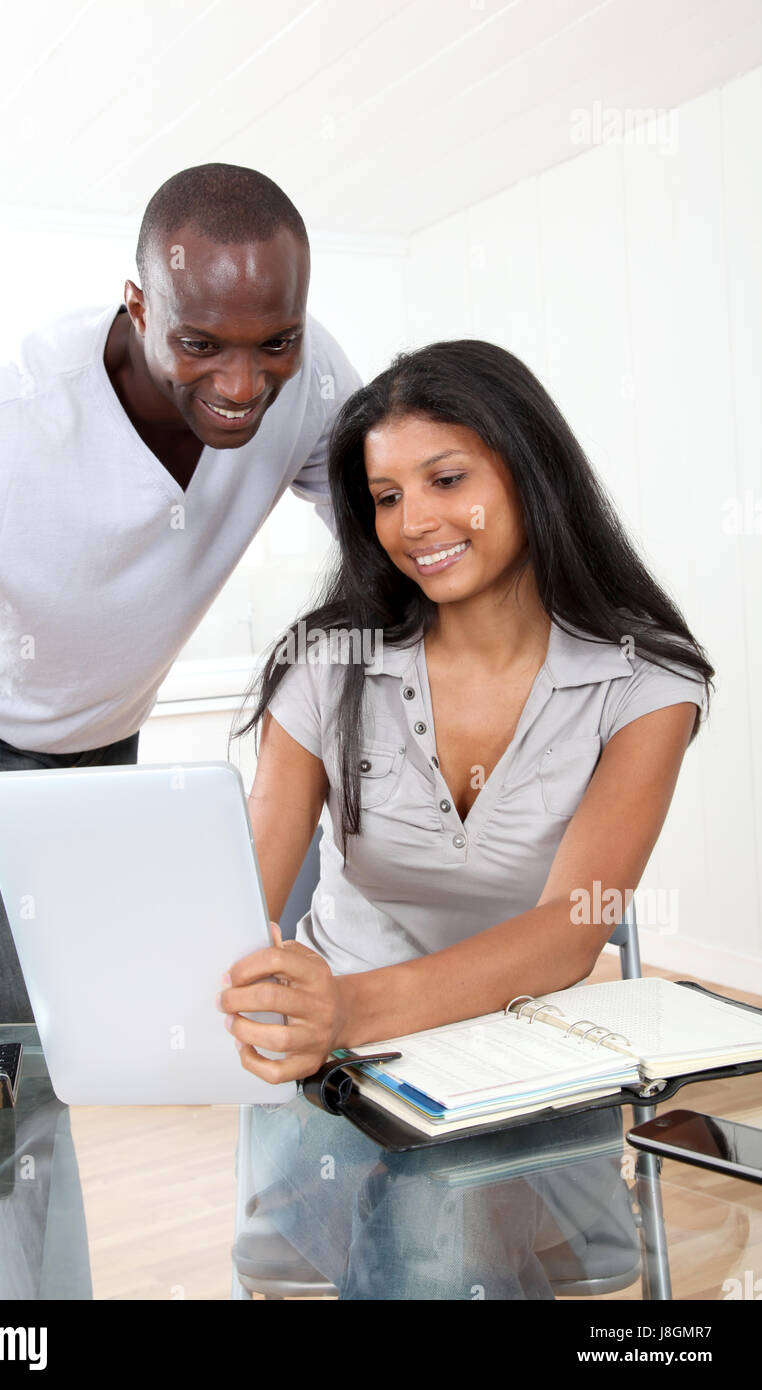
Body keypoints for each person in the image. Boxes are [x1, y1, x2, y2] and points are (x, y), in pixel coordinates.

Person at [218, 339, 713, 1299]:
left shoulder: (646, 682)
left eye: (447, 478)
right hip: (334, 1063)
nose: (415, 523)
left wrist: (345, 1009)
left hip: (523, 1042)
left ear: (531, 472)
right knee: (427, 1232)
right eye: (388, 496)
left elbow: (574, 928)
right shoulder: (329, 662)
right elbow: (240, 896)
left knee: (434, 1222)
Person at [0, 163, 361, 1025]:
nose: (242, 385)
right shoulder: (2, 428)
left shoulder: (316, 379)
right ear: (140, 306)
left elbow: (391, 541)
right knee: (13, 1029)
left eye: (275, 343)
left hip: (107, 730)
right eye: (200, 345)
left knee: (100, 1016)